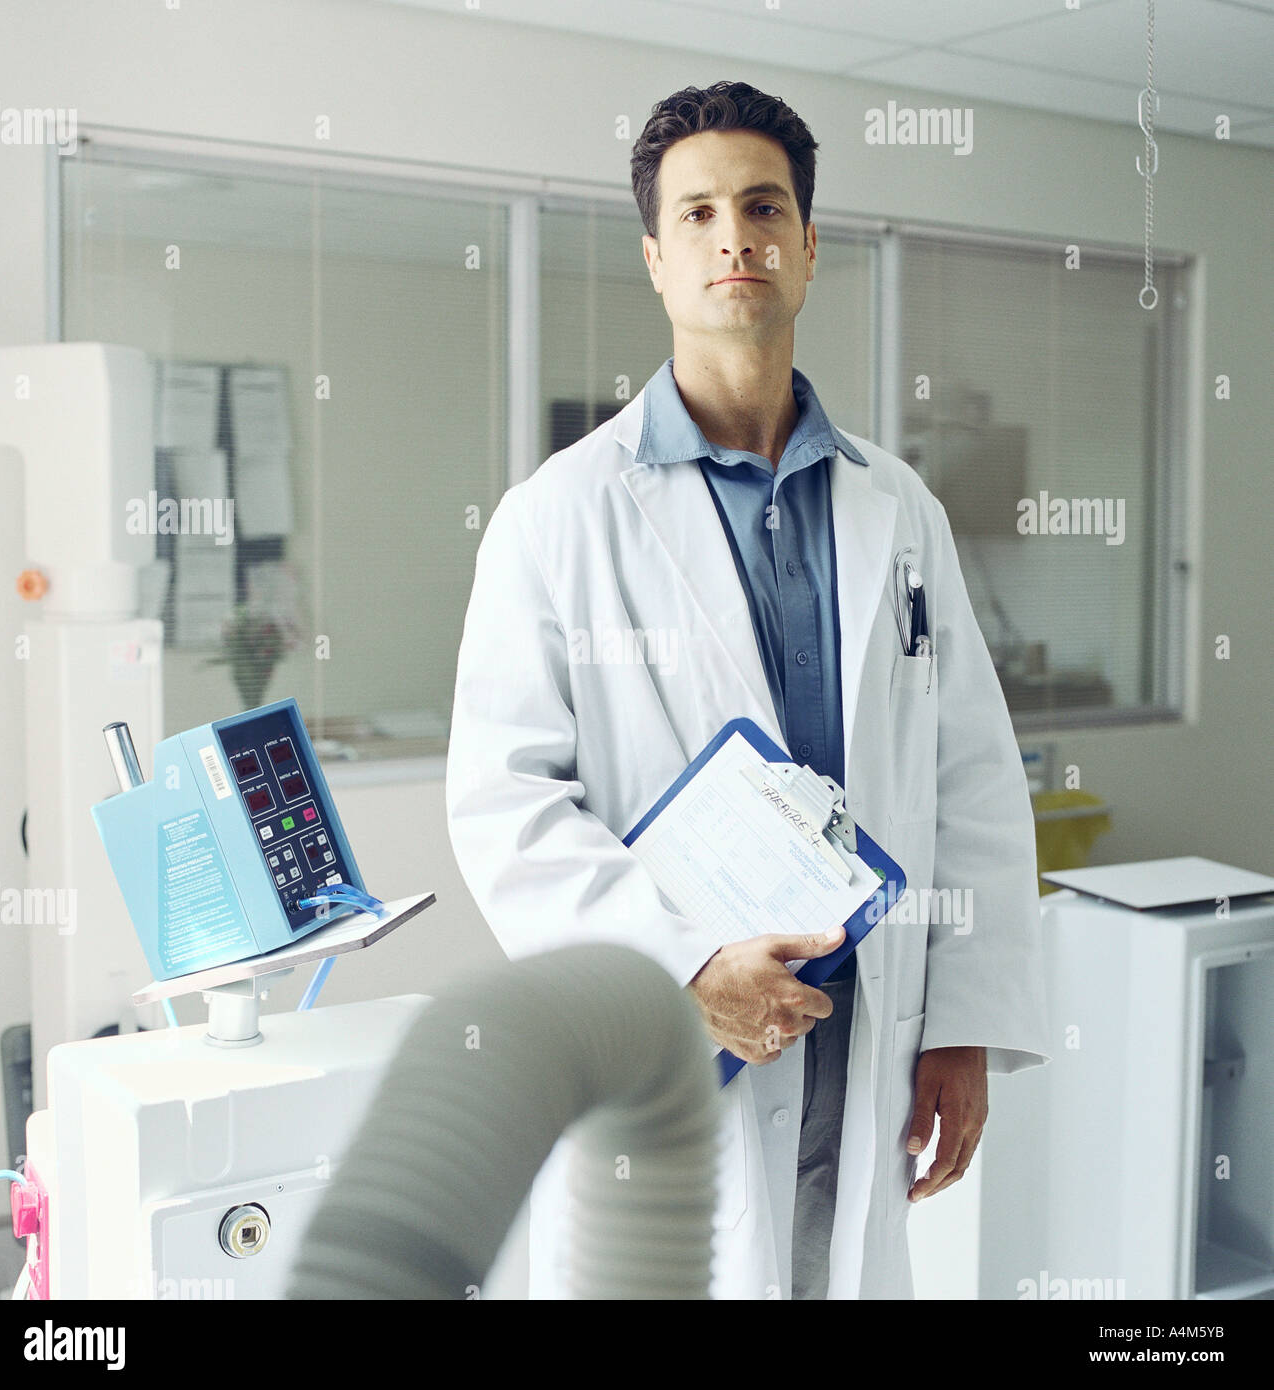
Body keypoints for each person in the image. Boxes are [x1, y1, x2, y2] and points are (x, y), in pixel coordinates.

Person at [446, 79, 1049, 1299]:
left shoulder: (902, 510)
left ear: (810, 248)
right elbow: (504, 802)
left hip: (863, 1042)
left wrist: (963, 1023)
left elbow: (972, 777)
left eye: (765, 205)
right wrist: (678, 961)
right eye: (702, 212)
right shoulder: (557, 517)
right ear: (658, 260)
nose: (737, 235)